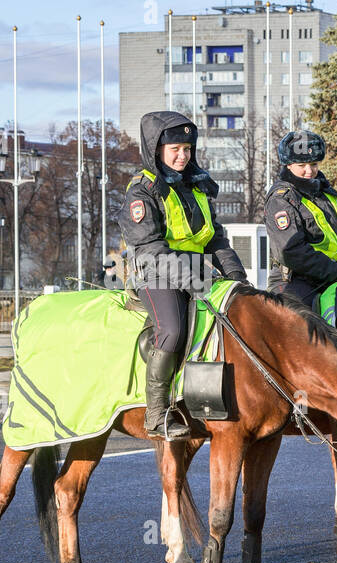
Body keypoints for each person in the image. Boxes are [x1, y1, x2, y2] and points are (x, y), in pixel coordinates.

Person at [120, 110, 247, 440]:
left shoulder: (196, 185)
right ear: (156, 149)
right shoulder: (142, 191)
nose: (182, 155)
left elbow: (216, 238)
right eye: (175, 149)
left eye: (187, 149)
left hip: (194, 274)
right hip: (155, 275)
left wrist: (236, 277)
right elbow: (150, 249)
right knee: (173, 330)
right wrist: (196, 279)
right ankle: (156, 413)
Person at [265, 129, 337, 309]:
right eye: (302, 165)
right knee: (301, 329)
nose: (309, 171)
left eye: (313, 164)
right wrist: (335, 272)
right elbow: (291, 251)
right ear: (288, 165)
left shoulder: (327, 194)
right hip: (297, 281)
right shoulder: (281, 199)